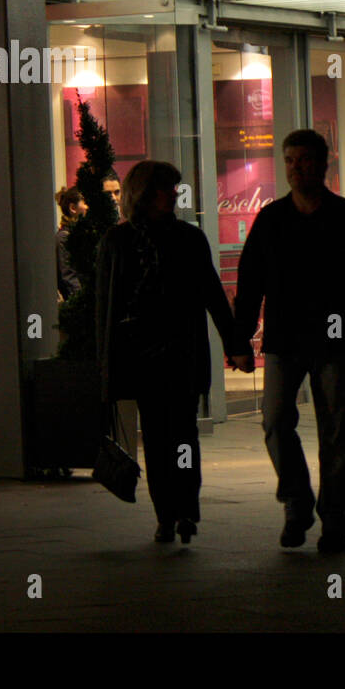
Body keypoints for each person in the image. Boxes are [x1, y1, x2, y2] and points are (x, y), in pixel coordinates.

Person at [235, 129, 345, 553]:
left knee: (335, 430)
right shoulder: (271, 219)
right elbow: (250, 284)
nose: (296, 168)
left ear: (324, 164)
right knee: (275, 421)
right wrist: (240, 339)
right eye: (289, 160)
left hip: (334, 339)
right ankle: (297, 502)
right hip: (284, 337)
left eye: (303, 160)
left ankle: (334, 517)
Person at [97, 161, 250, 544]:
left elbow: (213, 294)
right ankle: (170, 511)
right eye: (167, 188)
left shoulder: (182, 239)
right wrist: (104, 364)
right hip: (149, 354)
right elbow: (105, 309)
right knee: (162, 435)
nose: (174, 195)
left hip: (175, 352)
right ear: (146, 193)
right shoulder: (121, 241)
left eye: (174, 188)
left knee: (179, 434)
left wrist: (235, 343)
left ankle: (181, 509)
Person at [55, 186, 88, 300]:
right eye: (86, 202)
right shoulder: (64, 238)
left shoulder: (80, 234)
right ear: (73, 208)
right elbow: (69, 278)